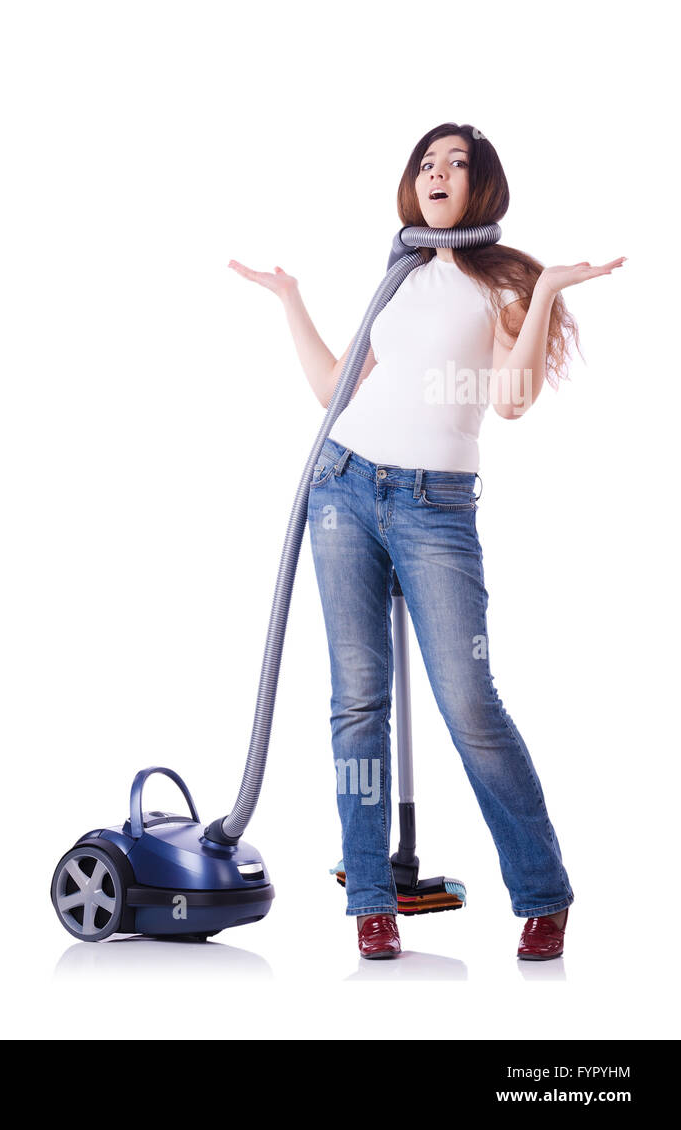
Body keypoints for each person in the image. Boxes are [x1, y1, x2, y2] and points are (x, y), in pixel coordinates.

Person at [231, 123, 623, 960]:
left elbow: (512, 401)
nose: (437, 172)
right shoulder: (401, 275)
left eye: (456, 163)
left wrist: (549, 288)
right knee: (356, 705)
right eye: (426, 162)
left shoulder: (504, 280)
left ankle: (543, 892)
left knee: (471, 705)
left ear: (480, 187)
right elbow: (337, 389)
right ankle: (372, 900)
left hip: (434, 509)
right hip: (342, 487)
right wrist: (291, 298)